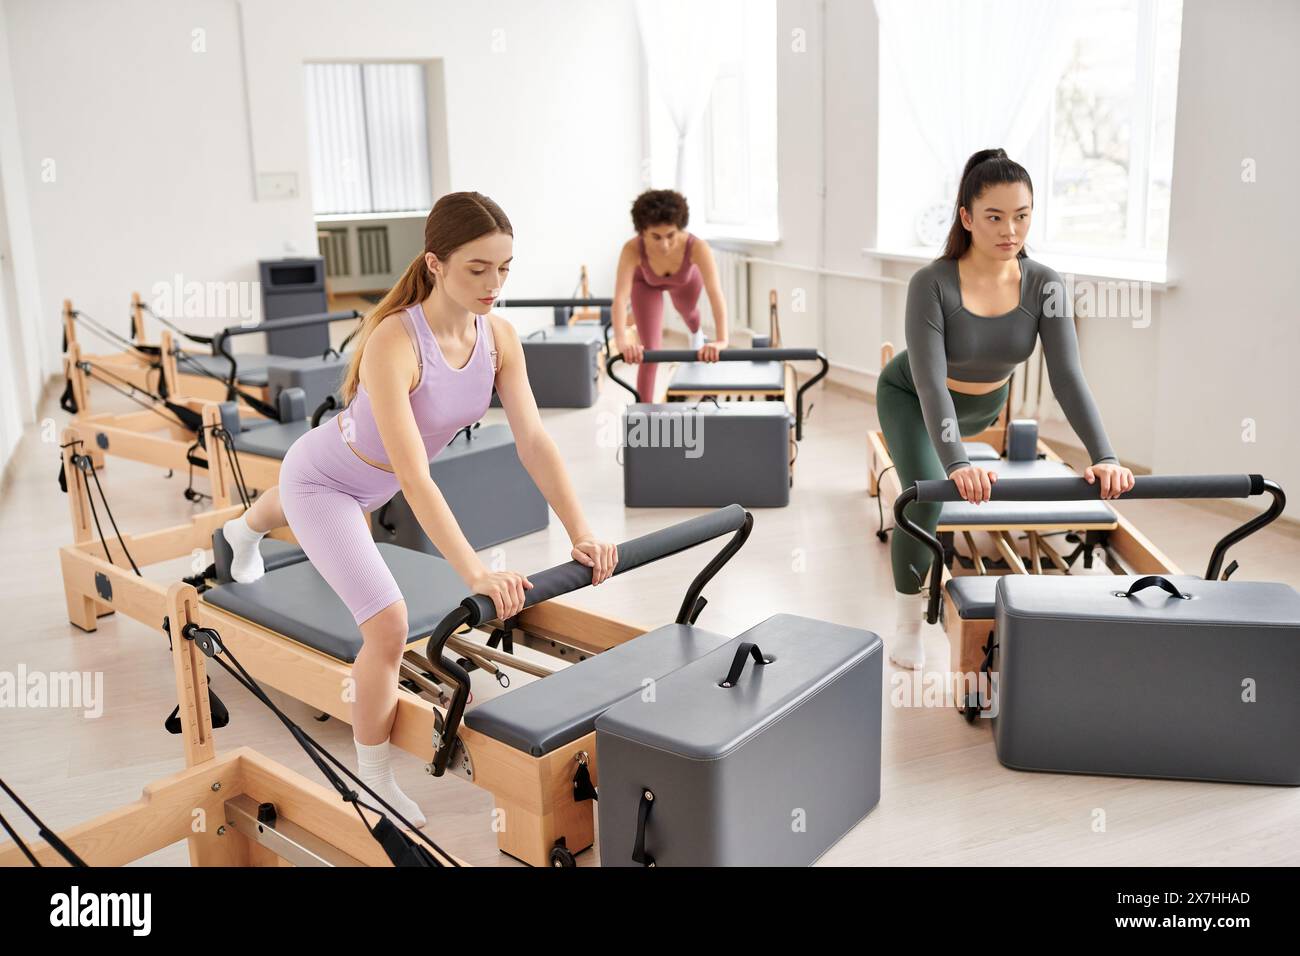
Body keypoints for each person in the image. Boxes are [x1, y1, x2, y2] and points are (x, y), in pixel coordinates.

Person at [220, 192, 618, 825]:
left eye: (505, 268)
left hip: (359, 480)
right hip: (325, 480)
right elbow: (415, 477)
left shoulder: (498, 339)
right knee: (388, 625)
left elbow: (534, 441)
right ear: (435, 264)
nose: (495, 284)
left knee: (281, 509)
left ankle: (242, 530)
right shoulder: (395, 341)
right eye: (477, 269)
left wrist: (583, 533)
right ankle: (371, 779)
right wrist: (476, 574)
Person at [878, 148, 1135, 669]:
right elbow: (929, 384)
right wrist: (957, 463)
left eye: (1021, 215)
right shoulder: (931, 282)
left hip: (985, 405)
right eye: (994, 216)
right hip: (912, 400)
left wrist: (1104, 455)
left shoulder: (1044, 283)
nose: (1009, 230)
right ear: (967, 217)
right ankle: (909, 624)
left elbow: (1066, 376)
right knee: (926, 500)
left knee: (945, 482)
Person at [611, 189, 730, 400]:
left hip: (684, 281)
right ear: (642, 232)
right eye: (655, 237)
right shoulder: (632, 249)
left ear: (680, 228)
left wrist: (722, 340)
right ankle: (645, 417)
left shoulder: (697, 247)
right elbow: (620, 298)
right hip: (645, 283)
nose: (664, 245)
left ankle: (696, 335)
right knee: (650, 353)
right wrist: (621, 341)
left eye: (671, 235)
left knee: (688, 312)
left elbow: (715, 293)